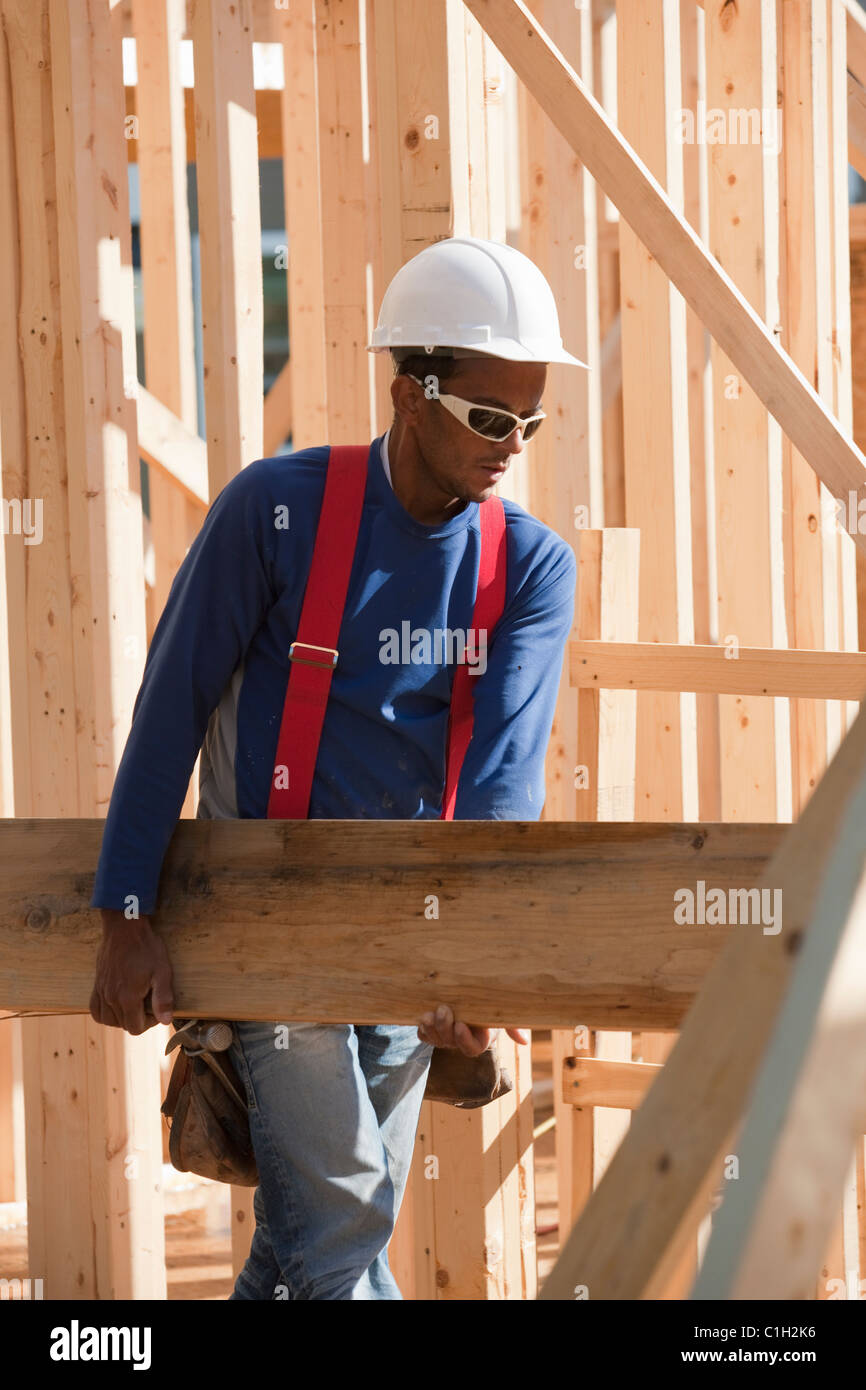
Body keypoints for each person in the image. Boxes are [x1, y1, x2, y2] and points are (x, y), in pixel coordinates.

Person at [89, 235, 585, 1299]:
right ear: (409, 394)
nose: (511, 446)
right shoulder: (277, 513)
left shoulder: (531, 565)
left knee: (303, 1246)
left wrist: (473, 963)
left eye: (530, 422)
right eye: (488, 418)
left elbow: (501, 785)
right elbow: (170, 710)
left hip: (409, 930)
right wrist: (126, 910)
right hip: (262, 916)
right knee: (345, 1219)